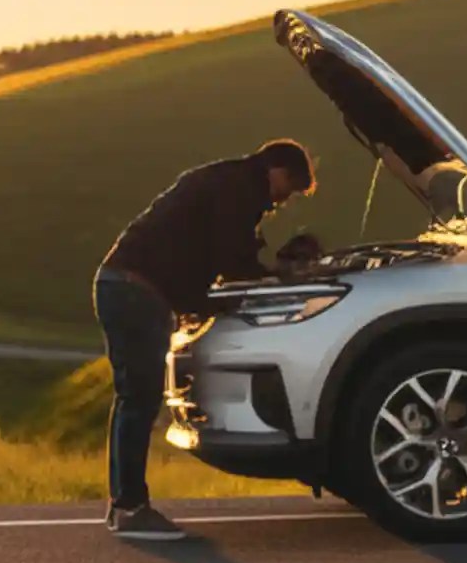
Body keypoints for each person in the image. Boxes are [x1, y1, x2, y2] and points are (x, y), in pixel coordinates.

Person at [93, 138, 318, 540]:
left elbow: (203, 253)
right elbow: (232, 261)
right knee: (139, 400)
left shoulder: (223, 180)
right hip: (136, 291)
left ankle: (123, 505)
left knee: (133, 399)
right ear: (278, 171)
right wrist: (275, 277)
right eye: (289, 190)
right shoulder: (240, 191)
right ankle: (130, 508)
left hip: (120, 285)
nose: (281, 202)